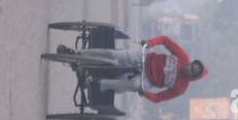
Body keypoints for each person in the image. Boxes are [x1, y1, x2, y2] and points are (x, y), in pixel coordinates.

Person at [68, 34, 206, 103]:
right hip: (145, 58)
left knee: (133, 84)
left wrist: (144, 93)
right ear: (191, 62)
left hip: (147, 80)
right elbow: (165, 40)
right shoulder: (182, 56)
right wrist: (150, 42)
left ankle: (94, 83)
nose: (189, 68)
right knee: (114, 54)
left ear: (192, 77)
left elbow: (158, 97)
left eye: (192, 71)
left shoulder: (181, 88)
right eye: (191, 65)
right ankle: (78, 54)